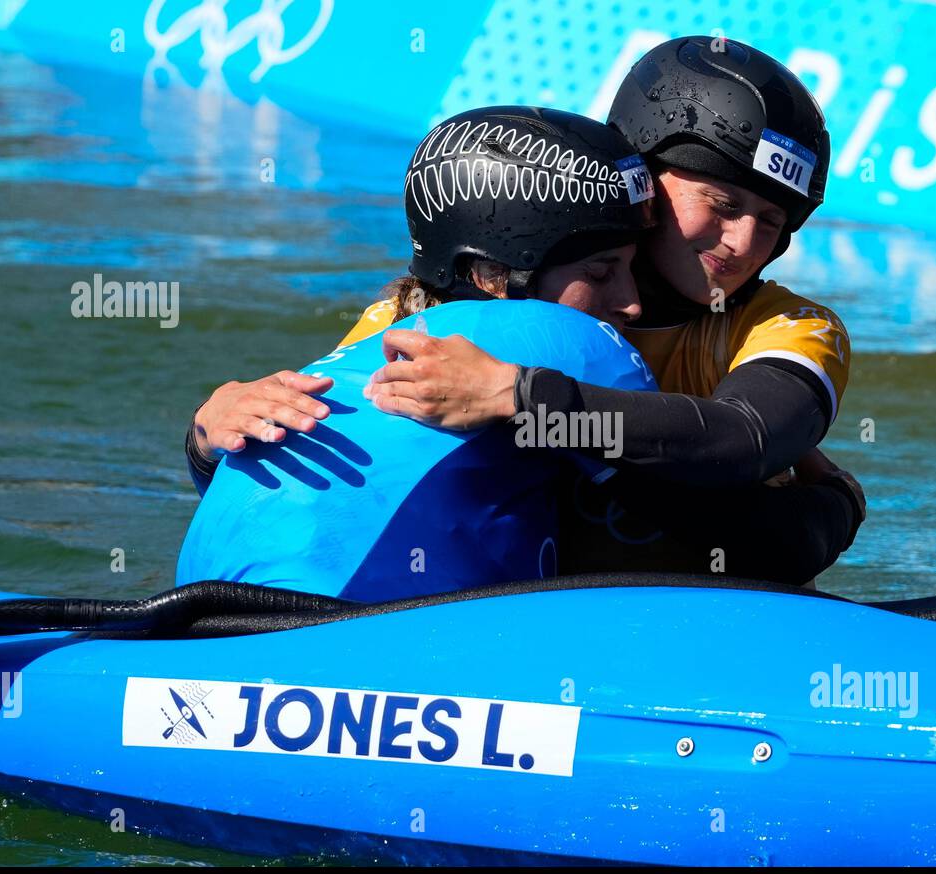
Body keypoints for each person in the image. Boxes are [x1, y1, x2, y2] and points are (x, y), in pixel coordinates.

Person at [188, 39, 865, 585]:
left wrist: (520, 398)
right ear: (640, 179)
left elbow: (747, 438)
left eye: (773, 221)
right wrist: (214, 434)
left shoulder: (792, 327)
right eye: (720, 205)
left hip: (716, 580)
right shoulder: (429, 309)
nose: (745, 242)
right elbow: (339, 477)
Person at [177, 107, 657, 601]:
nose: (633, 302)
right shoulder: (577, 341)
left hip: (190, 611)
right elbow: (681, 519)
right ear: (491, 276)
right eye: (601, 273)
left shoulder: (389, 326)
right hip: (341, 633)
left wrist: (202, 444)